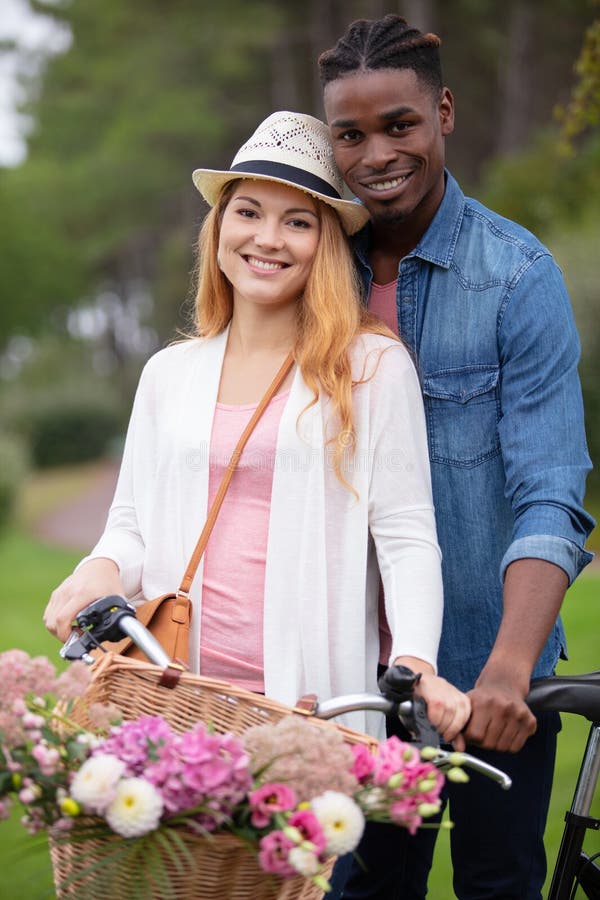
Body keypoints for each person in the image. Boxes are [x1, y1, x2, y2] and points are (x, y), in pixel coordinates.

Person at [43, 109, 471, 743]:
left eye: (296, 221)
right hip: (172, 695)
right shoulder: (169, 373)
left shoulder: (370, 367)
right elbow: (132, 523)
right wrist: (103, 566)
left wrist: (415, 663)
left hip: (307, 702)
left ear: (324, 242)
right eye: (247, 212)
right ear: (219, 227)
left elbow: (405, 534)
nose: (267, 238)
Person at [318, 14, 595, 900]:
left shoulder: (517, 275)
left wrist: (508, 671)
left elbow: (553, 491)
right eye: (349, 136)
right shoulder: (314, 275)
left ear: (443, 112)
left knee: (499, 882)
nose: (375, 155)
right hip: (349, 684)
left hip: (488, 674)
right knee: (359, 889)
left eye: (398, 126)